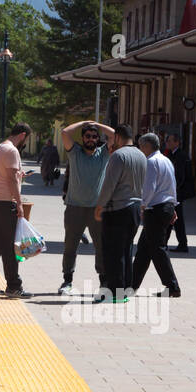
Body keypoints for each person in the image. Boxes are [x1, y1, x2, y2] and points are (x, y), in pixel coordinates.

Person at [58, 119, 113, 296]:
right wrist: (83, 123)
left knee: (102, 247)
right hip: (74, 208)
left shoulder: (104, 153)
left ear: (98, 138)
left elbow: (114, 135)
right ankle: (67, 281)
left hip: (97, 209)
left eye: (94, 136)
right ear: (82, 138)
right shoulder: (75, 153)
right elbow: (65, 133)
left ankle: (104, 282)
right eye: (87, 136)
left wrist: (97, 124)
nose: (90, 139)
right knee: (70, 246)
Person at [93, 124, 146, 303]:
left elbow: (109, 185)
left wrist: (100, 206)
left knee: (113, 252)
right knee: (126, 249)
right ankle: (125, 290)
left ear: (117, 137)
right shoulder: (141, 155)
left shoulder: (118, 156)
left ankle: (115, 292)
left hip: (117, 209)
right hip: (135, 208)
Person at [0, 122, 34, 298]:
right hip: (6, 204)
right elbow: (11, 179)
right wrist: (19, 203)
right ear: (23, 135)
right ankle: (13, 286)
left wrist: (18, 175)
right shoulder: (12, 151)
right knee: (10, 248)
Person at [132, 133, 182, 297]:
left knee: (157, 249)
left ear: (147, 146)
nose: (140, 149)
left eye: (141, 146)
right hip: (165, 207)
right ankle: (131, 285)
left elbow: (149, 187)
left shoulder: (151, 162)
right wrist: (173, 206)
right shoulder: (166, 160)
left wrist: (142, 206)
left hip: (155, 210)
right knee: (144, 249)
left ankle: (172, 286)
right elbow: (171, 186)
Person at [164, 133, 193, 253]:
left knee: (176, 219)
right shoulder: (172, 154)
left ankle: (182, 244)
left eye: (170, 141)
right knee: (172, 218)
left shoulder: (180, 156)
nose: (167, 143)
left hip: (178, 192)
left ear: (177, 142)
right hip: (175, 192)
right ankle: (165, 242)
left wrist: (174, 191)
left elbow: (180, 176)